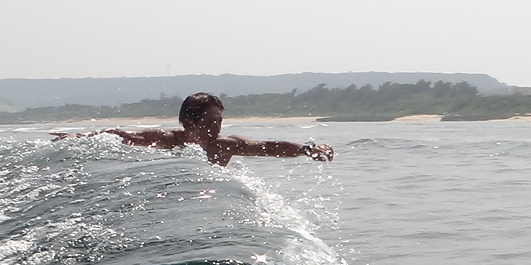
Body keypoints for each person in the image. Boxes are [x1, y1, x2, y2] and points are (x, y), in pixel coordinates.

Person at [53, 92, 334, 166]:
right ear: (190, 123)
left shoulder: (223, 145)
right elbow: (121, 135)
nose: (217, 126)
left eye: (219, 120)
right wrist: (79, 137)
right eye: (211, 121)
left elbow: (267, 147)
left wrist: (307, 150)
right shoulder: (166, 139)